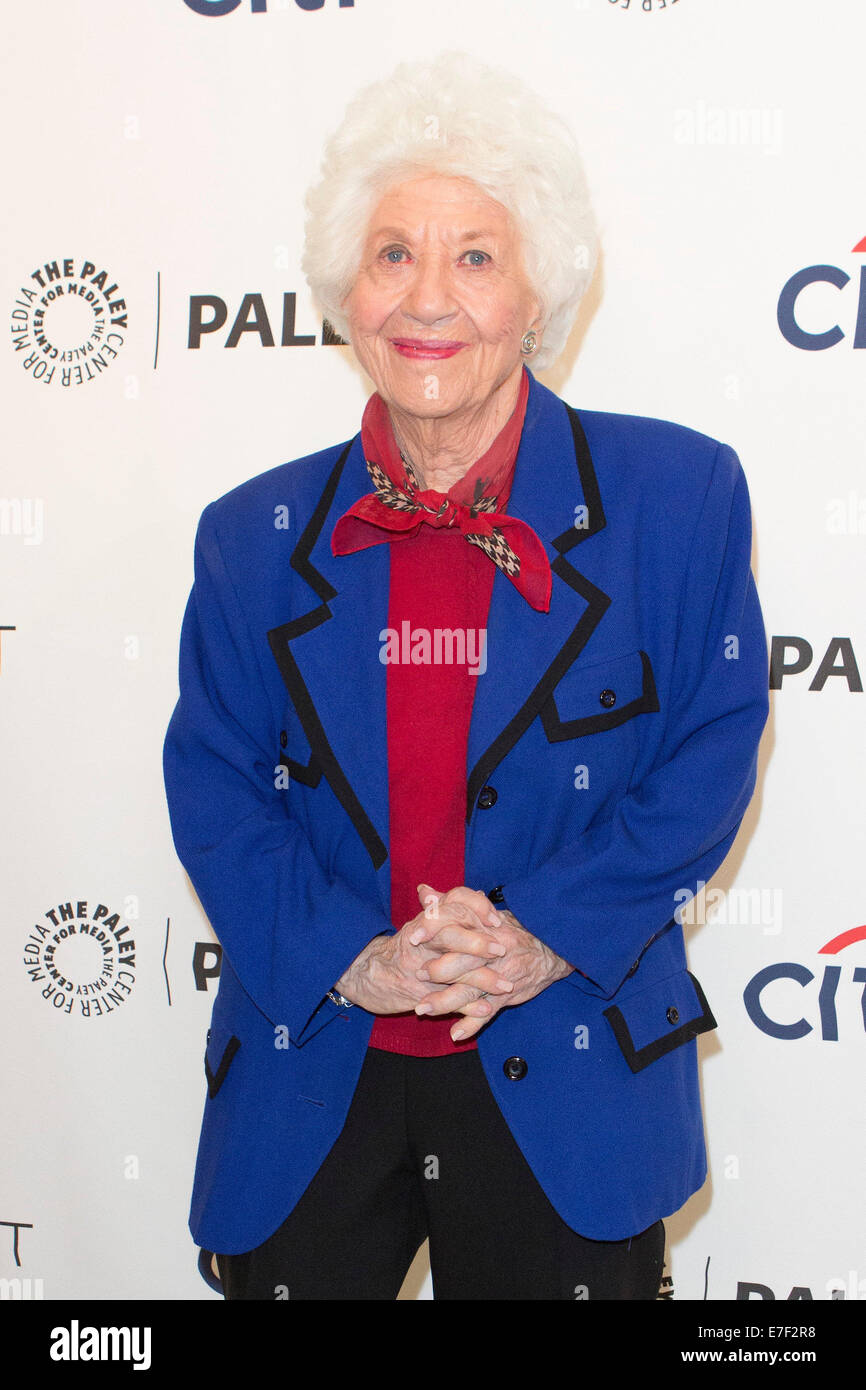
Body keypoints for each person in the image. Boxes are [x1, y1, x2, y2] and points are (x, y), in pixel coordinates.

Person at [162, 50, 769, 1301]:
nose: (427, 297)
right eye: (393, 253)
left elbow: (709, 746)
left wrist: (544, 934)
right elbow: (217, 787)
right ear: (346, 290)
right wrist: (356, 957)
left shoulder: (676, 495)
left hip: (570, 1060)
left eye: (475, 256)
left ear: (538, 293)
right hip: (312, 1053)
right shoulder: (247, 535)